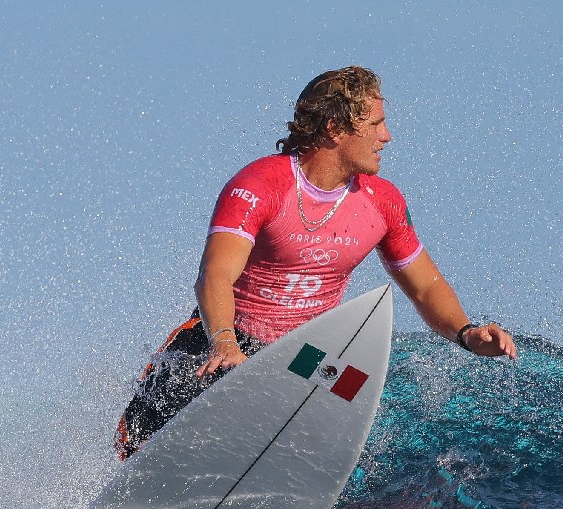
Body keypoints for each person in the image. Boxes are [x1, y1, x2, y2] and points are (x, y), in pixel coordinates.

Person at [114, 66, 517, 460]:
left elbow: (425, 286)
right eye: (376, 124)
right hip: (219, 341)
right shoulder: (260, 185)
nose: (387, 136)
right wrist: (224, 343)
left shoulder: (382, 201)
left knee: (363, 398)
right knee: (136, 440)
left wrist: (466, 333)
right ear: (335, 129)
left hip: (304, 355)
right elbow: (215, 274)